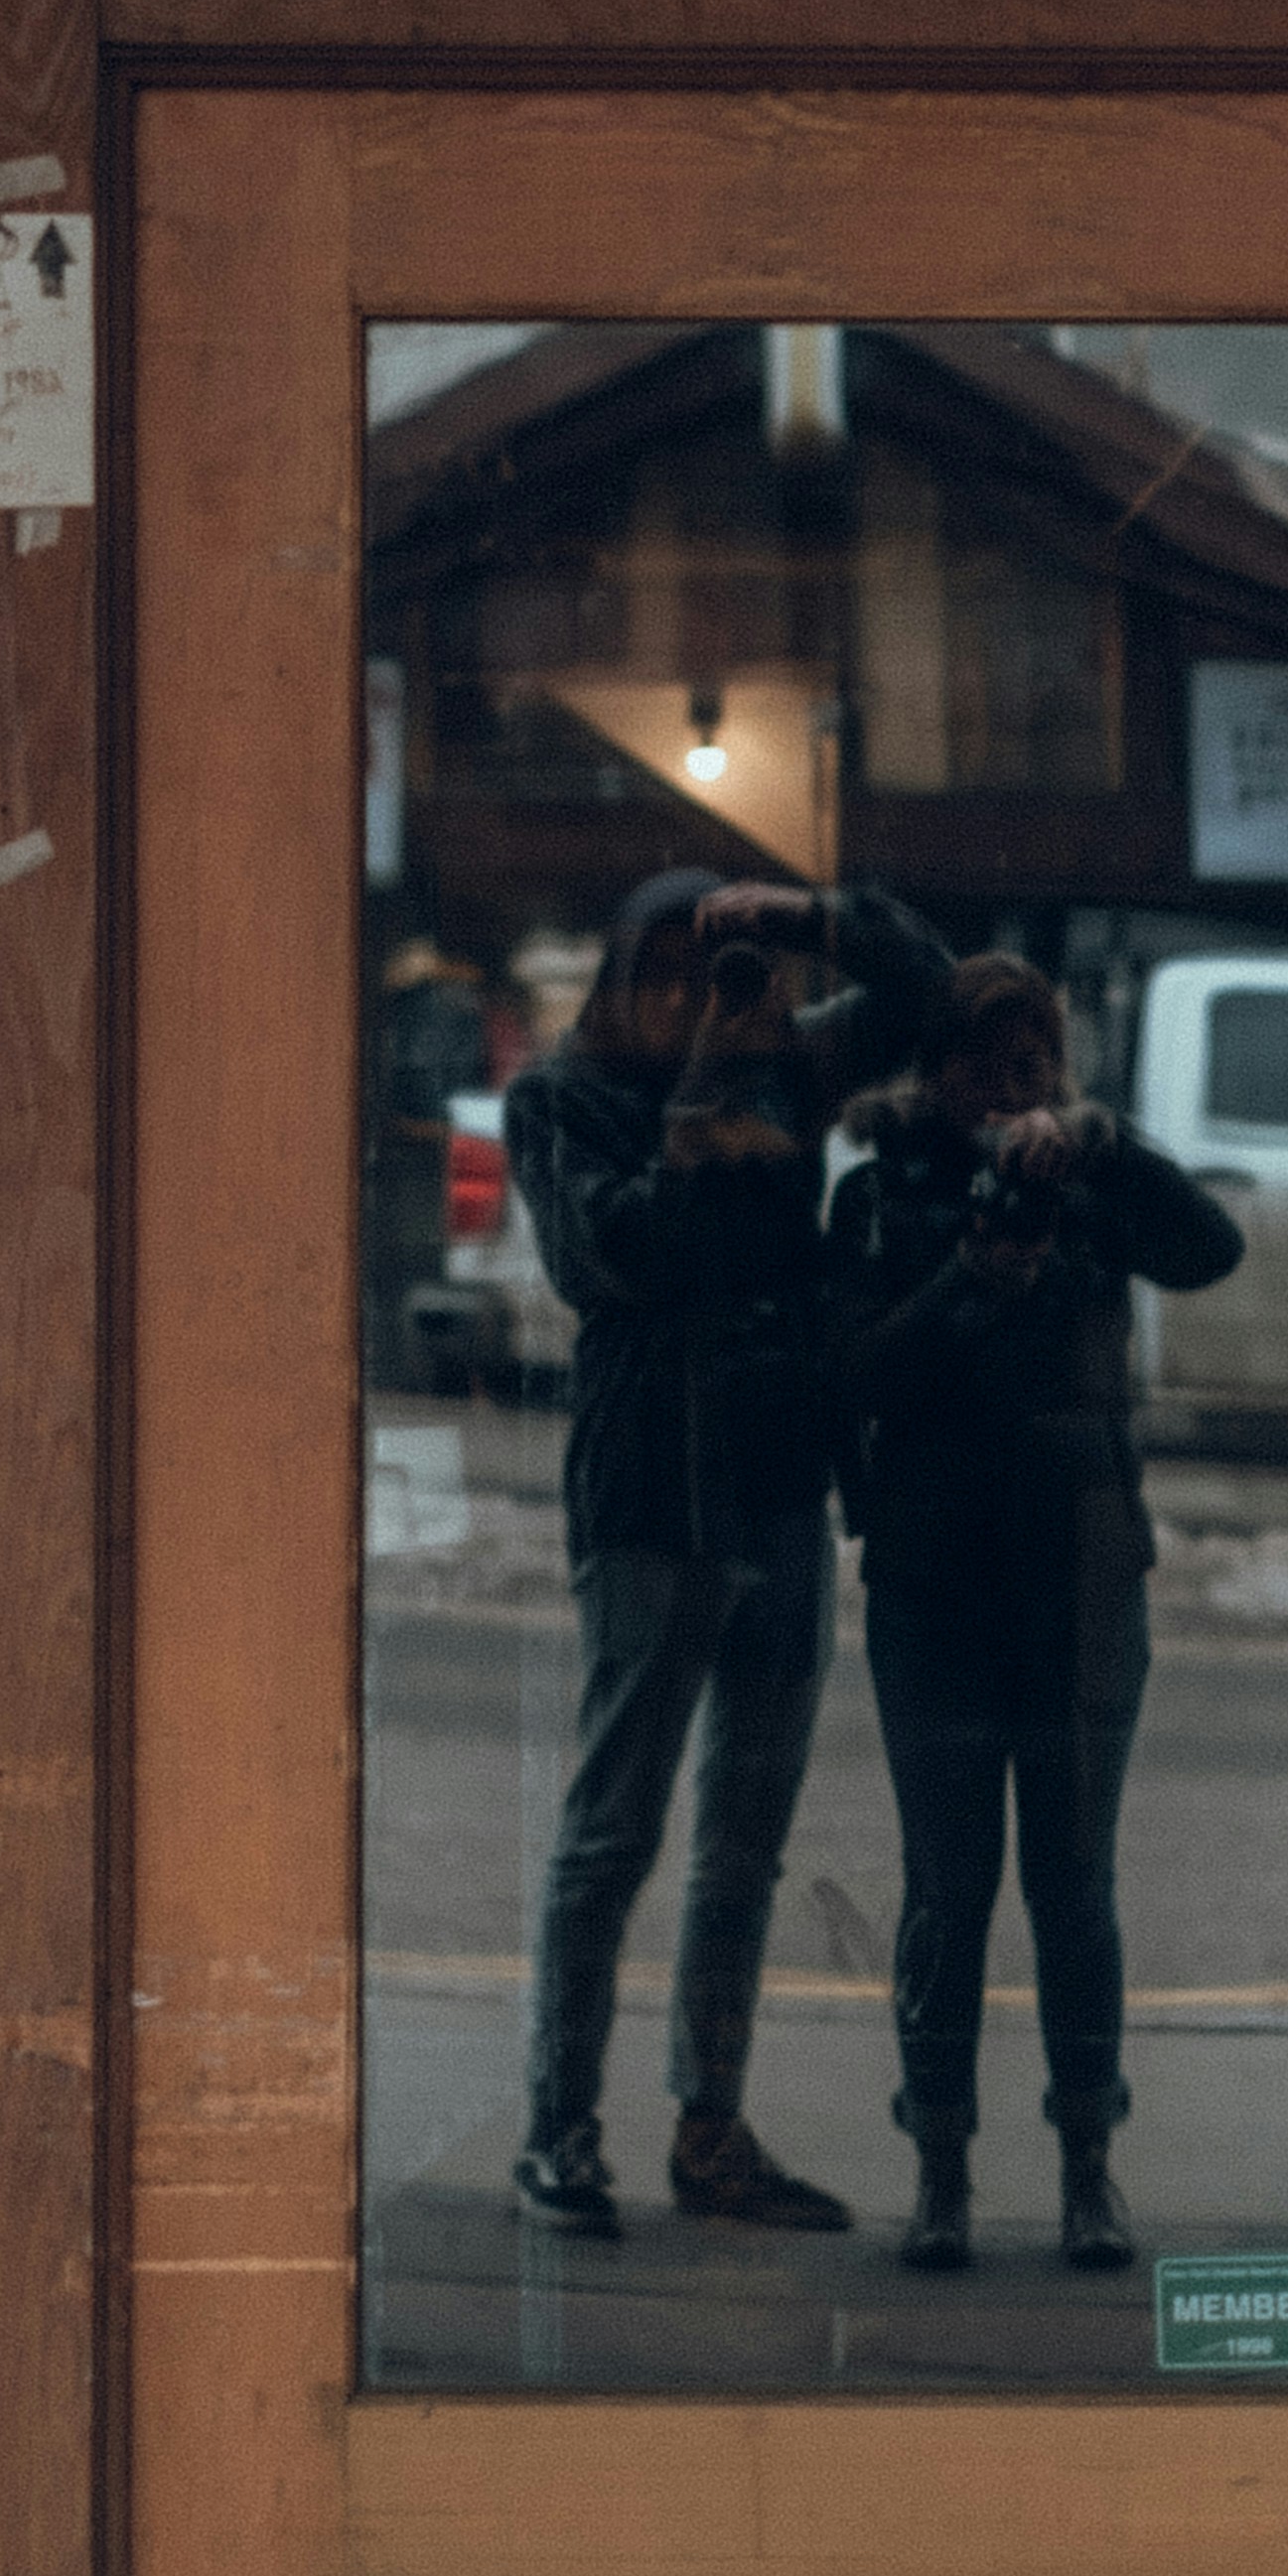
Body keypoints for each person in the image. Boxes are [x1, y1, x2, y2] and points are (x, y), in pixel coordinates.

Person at [502, 862, 951, 2238]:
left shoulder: (786, 1069)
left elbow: (930, 990)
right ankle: (558, 2135)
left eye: (725, 977)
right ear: (625, 975)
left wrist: (809, 917)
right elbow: (608, 1259)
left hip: (779, 1484)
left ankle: (710, 2127)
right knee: (611, 1832)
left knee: (743, 1845)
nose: (708, 997)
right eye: (683, 972)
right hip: (653, 1489)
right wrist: (701, 1114)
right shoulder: (563, 1096)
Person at [827, 953, 1243, 2273]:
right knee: (946, 1893)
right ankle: (940, 2167)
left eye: (1040, 1064)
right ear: (941, 1075)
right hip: (937, 1580)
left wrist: (1107, 1144)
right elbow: (850, 1374)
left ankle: (1087, 2169)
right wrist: (973, 1280)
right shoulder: (879, 1189)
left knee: (1076, 1889)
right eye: (995, 1063)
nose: (1021, 1089)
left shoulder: (1094, 1181)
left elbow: (1210, 1248)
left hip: (1082, 1578)